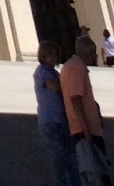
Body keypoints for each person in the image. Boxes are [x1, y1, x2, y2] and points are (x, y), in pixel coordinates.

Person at [60, 35, 109, 184]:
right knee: (96, 175)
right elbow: (75, 100)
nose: (94, 57)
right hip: (86, 131)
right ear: (86, 52)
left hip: (84, 130)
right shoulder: (77, 67)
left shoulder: (72, 66)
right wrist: (87, 132)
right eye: (93, 53)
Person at [36, 41, 82, 186]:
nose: (54, 57)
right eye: (50, 55)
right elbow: (54, 86)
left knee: (70, 159)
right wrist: (72, 84)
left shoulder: (55, 73)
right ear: (43, 56)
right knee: (59, 160)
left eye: (55, 54)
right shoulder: (41, 72)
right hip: (50, 122)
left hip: (62, 120)